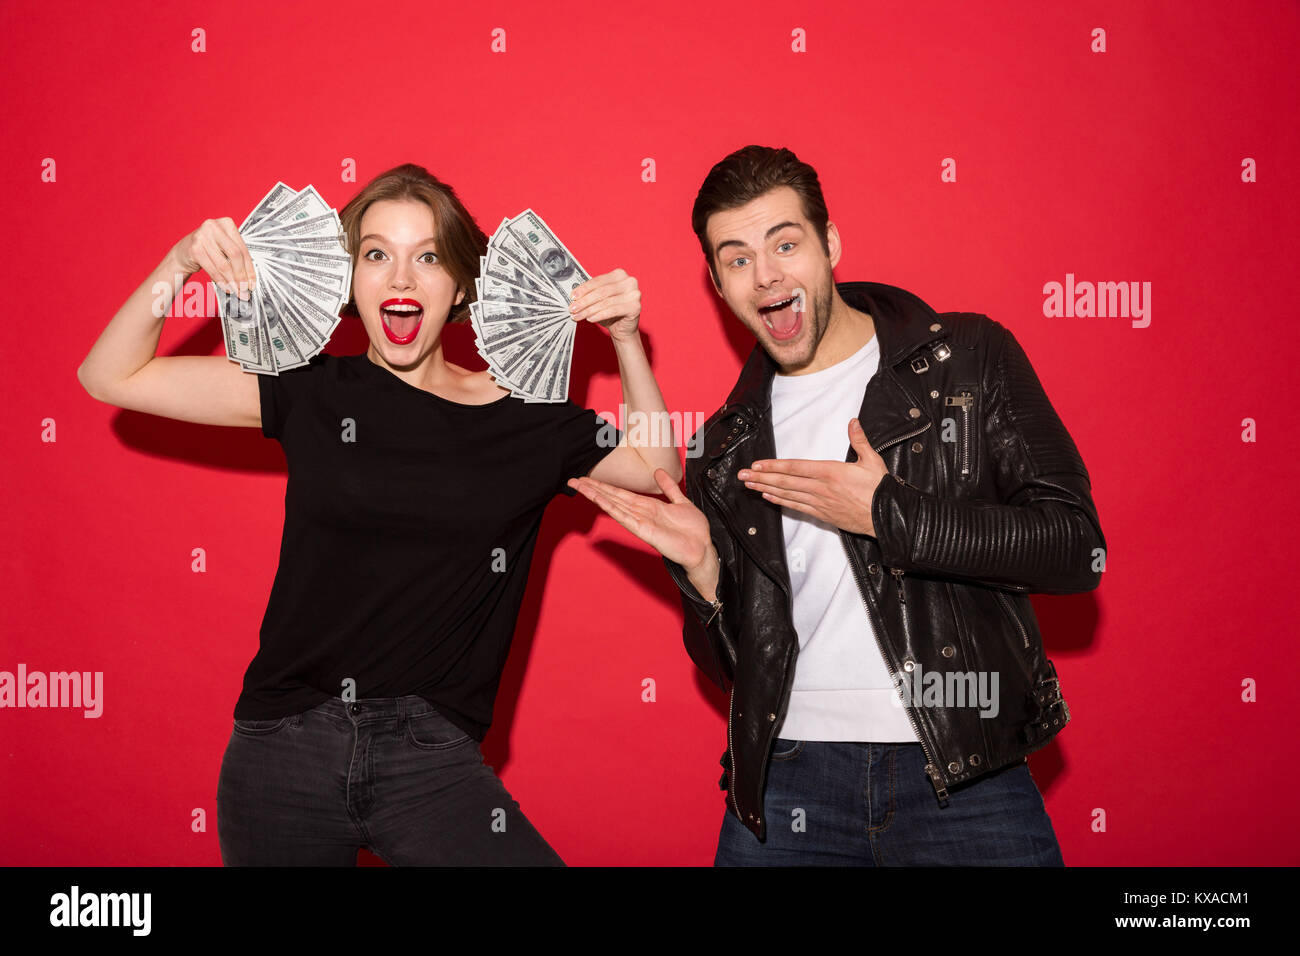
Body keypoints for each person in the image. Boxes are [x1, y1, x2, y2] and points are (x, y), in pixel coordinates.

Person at [77, 162, 680, 866]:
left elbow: (660, 474)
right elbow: (109, 375)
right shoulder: (309, 390)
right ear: (350, 281)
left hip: (429, 758)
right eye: (376, 255)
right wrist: (181, 261)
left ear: (459, 285)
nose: (400, 279)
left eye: (427, 257)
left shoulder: (527, 422)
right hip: (282, 751)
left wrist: (627, 339)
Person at [568, 145, 1106, 866]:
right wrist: (702, 575)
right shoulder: (725, 447)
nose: (766, 275)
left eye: (785, 244)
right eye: (737, 258)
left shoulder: (968, 357)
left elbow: (1075, 548)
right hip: (790, 780)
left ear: (831, 245)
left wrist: (891, 516)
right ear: (717, 283)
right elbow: (737, 667)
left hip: (963, 770)